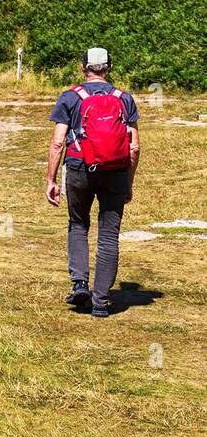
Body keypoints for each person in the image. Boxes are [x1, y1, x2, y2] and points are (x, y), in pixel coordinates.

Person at [45, 47, 140, 317]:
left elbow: (57, 142)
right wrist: (128, 182)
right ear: (109, 68)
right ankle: (101, 302)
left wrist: (51, 179)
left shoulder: (70, 97)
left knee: (78, 224)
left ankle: (79, 284)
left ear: (82, 67)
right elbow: (133, 147)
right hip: (115, 172)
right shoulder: (125, 99)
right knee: (109, 235)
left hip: (78, 168)